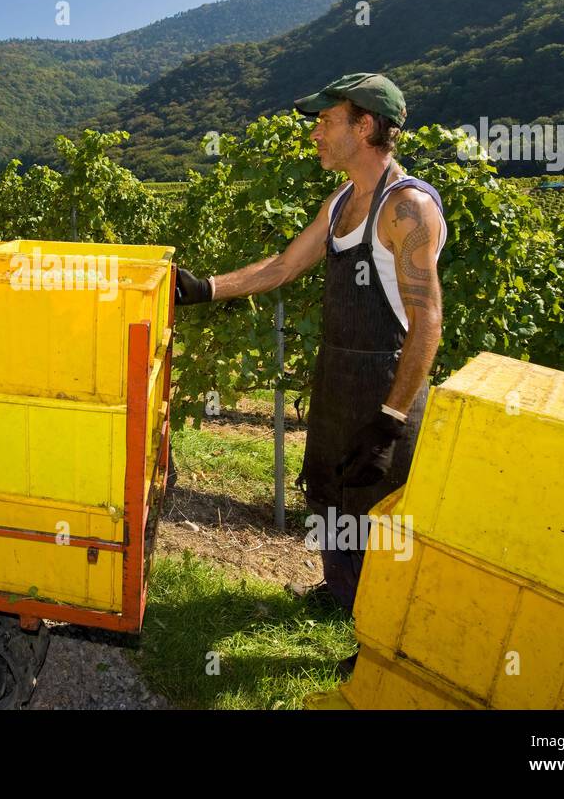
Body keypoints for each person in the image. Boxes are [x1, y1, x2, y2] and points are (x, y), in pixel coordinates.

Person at [175, 73, 446, 622]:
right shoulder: (343, 199)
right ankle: (341, 595)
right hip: (338, 376)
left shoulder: (406, 208)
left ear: (365, 125)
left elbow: (427, 323)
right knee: (328, 494)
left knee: (379, 514)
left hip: (385, 386)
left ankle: (380, 633)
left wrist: (391, 419)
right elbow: (283, 266)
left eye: (327, 122)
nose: (316, 134)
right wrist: (205, 288)